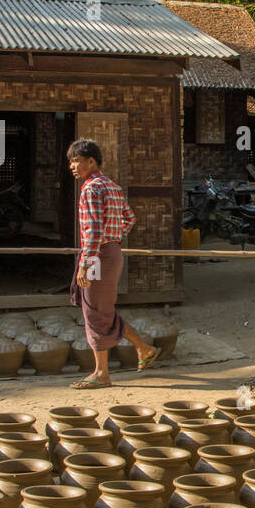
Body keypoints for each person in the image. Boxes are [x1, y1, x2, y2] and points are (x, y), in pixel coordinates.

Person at [66, 138, 158, 388]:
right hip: (111, 252)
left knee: (94, 312)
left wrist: (86, 262)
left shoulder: (92, 188)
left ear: (91, 161)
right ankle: (143, 348)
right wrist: (114, 237)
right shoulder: (113, 187)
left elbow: (94, 230)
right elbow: (129, 218)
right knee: (100, 309)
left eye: (75, 161)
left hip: (98, 256)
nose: (72, 167)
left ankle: (101, 374)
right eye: (71, 162)